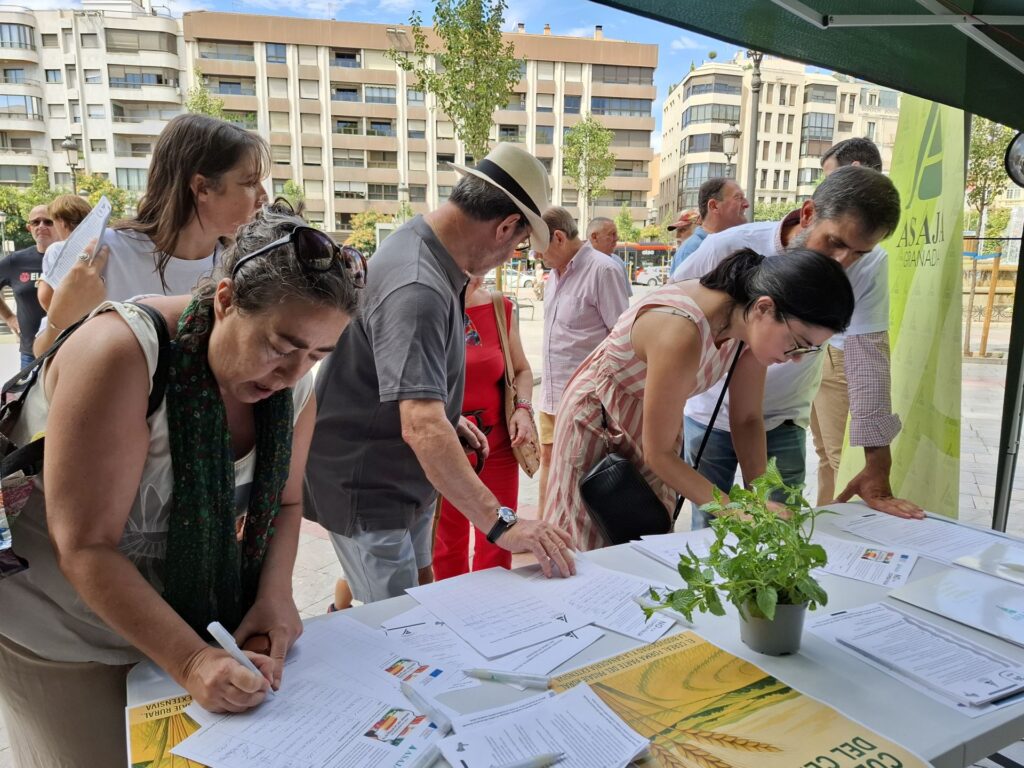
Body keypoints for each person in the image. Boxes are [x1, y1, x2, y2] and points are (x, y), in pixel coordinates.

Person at [0, 203, 361, 767]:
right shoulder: (122, 354)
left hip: (187, 618)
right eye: (281, 346)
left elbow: (287, 502)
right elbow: (85, 545)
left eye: (318, 354)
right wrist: (191, 661)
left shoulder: (295, 388)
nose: (293, 374)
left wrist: (274, 597)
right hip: (63, 629)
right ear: (225, 300)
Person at [305, 143, 575, 610]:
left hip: (399, 477)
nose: (507, 257)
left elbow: (408, 386)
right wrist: (503, 524)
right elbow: (421, 426)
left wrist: (448, 417)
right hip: (371, 489)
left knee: (422, 596)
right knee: (399, 625)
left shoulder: (424, 246)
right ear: (505, 226)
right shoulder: (419, 283)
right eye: (515, 245)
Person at [543, 248, 855, 551]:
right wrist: (734, 511)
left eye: (808, 350)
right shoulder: (680, 330)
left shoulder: (747, 325)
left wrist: (758, 501)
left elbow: (747, 419)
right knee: (593, 538)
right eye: (797, 343)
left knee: (645, 528)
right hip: (601, 419)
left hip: (653, 423)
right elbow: (659, 455)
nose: (795, 358)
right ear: (764, 308)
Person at [674, 165, 924, 523]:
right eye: (835, 242)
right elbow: (679, 316)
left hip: (784, 417)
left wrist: (877, 464)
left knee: (784, 527)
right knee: (711, 527)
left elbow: (867, 357)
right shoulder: (728, 245)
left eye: (859, 253)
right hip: (709, 414)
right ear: (807, 214)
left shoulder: (869, 266)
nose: (843, 263)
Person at [34, 113, 269, 357]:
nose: (264, 197)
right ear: (202, 188)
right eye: (251, 182)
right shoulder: (101, 255)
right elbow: (41, 355)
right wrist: (63, 318)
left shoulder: (243, 268)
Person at [433, 274, 537, 579]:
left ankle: (494, 606)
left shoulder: (498, 307)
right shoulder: (427, 307)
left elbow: (522, 370)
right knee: (447, 545)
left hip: (499, 446)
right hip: (448, 445)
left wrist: (523, 408)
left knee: (500, 538)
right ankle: (453, 604)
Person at [536, 206, 630, 516]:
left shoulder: (603, 271)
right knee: (548, 462)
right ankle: (545, 528)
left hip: (586, 401)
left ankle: (575, 536)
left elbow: (621, 338)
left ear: (558, 237)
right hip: (552, 395)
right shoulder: (553, 275)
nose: (535, 255)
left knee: (580, 473)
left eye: (537, 246)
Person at [811, 137, 884, 505]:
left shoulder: (873, 250)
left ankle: (833, 523)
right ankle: (825, 520)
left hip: (840, 354)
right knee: (825, 453)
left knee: (836, 457)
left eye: (829, 177)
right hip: (821, 354)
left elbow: (870, 345)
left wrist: (878, 457)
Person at [0, 206, 52, 368]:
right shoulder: (16, 261)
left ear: (59, 224)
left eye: (48, 221)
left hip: (67, 349)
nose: (41, 226)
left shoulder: (72, 257)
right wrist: (9, 317)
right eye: (35, 222)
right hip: (31, 354)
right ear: (29, 228)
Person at [670, 179, 749, 274]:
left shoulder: (733, 245)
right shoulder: (691, 251)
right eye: (738, 198)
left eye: (683, 229)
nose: (746, 204)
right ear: (714, 206)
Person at [36, 194, 93, 312]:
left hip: (75, 316)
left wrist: (41, 282)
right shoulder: (103, 243)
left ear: (61, 221)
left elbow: (47, 298)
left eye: (52, 222)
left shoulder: (57, 249)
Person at [586, 216, 631, 297]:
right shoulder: (576, 263)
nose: (617, 238)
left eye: (616, 234)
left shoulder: (618, 262)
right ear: (594, 237)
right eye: (612, 234)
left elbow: (624, 298)